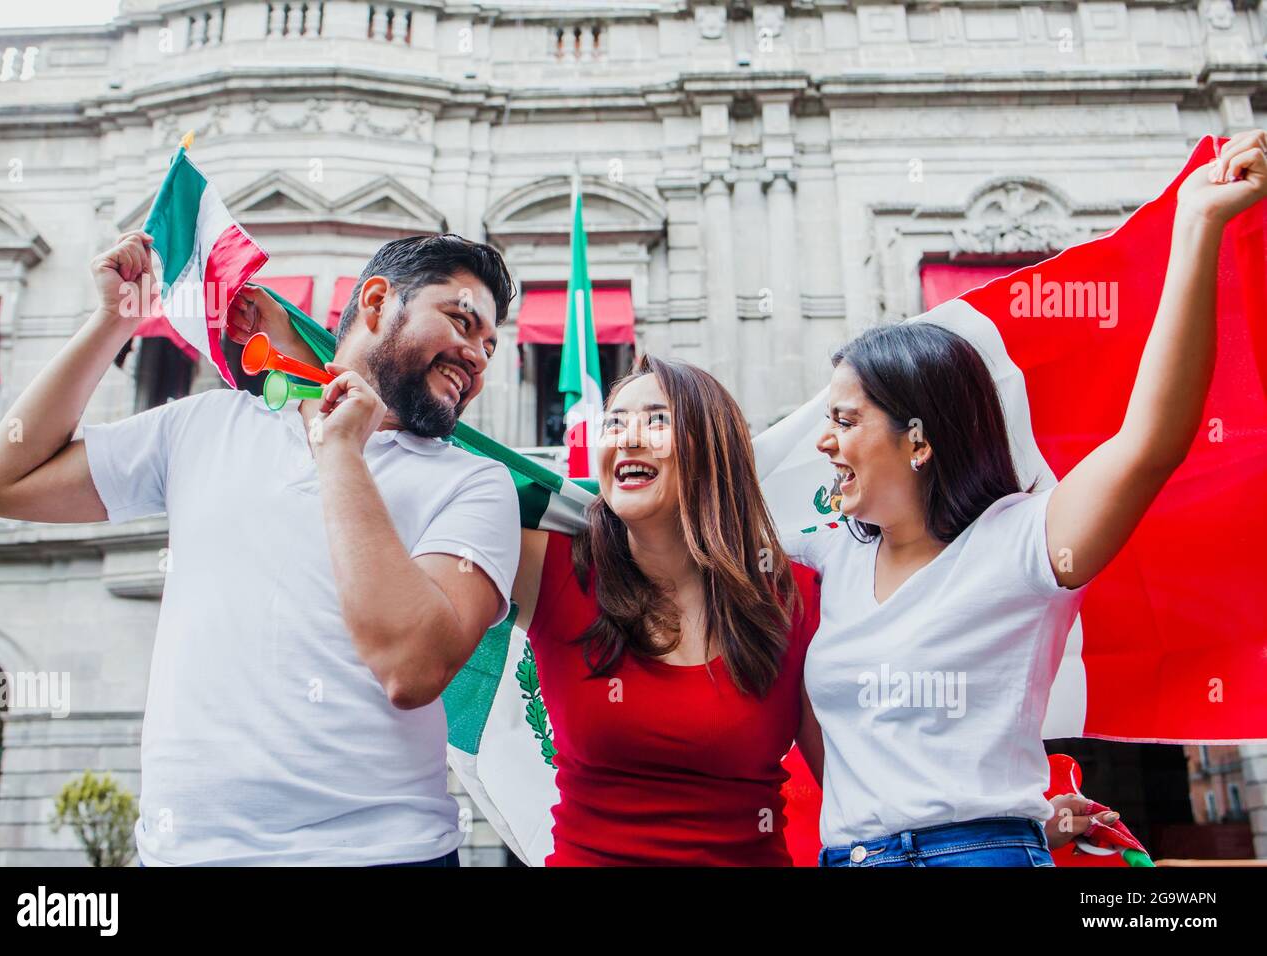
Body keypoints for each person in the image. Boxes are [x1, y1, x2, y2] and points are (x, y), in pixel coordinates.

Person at [788, 129, 1267, 867]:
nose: (824, 442)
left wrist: (1198, 224)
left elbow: (1150, 443)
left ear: (918, 440)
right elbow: (685, 529)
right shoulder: (828, 549)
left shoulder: (1023, 543)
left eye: (845, 421)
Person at [0, 232, 521, 866]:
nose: (478, 355)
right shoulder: (206, 424)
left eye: (490, 345)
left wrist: (340, 453)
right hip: (179, 857)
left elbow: (413, 668)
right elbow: (1, 482)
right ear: (376, 302)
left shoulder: (477, 484)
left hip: (382, 857)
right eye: (461, 321)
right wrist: (113, 321)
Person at [514, 355, 824, 865]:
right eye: (615, 422)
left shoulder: (797, 597)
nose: (628, 438)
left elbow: (851, 786)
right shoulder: (548, 566)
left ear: (715, 450)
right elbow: (433, 487)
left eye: (657, 420)